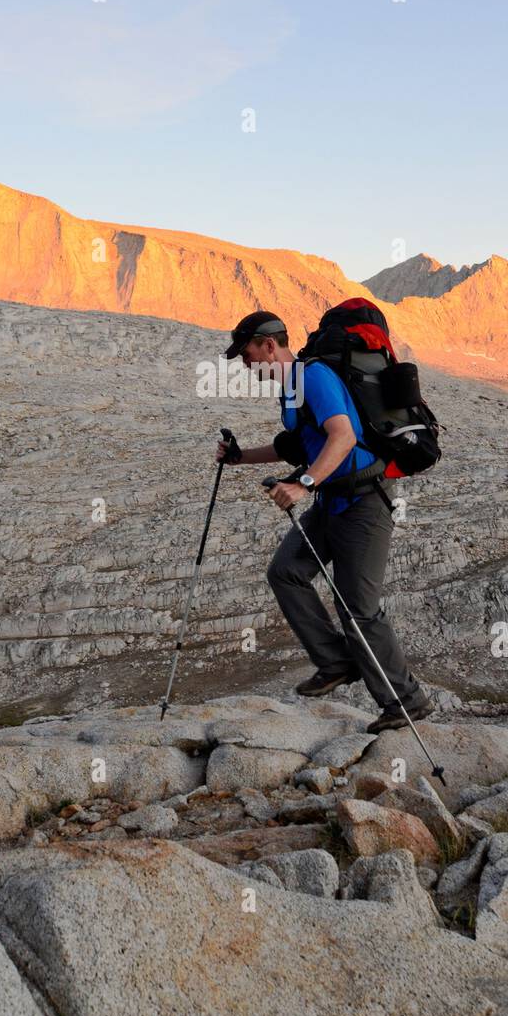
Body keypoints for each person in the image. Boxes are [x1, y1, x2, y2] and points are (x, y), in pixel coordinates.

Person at [217, 309, 432, 734]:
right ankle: (335, 663)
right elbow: (295, 446)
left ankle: (407, 702)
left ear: (268, 345)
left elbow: (344, 435)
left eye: (246, 354)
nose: (245, 363)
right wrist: (241, 457)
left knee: (359, 609)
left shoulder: (312, 377)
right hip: (333, 501)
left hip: (364, 504)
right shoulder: (291, 389)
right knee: (286, 571)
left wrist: (304, 484)